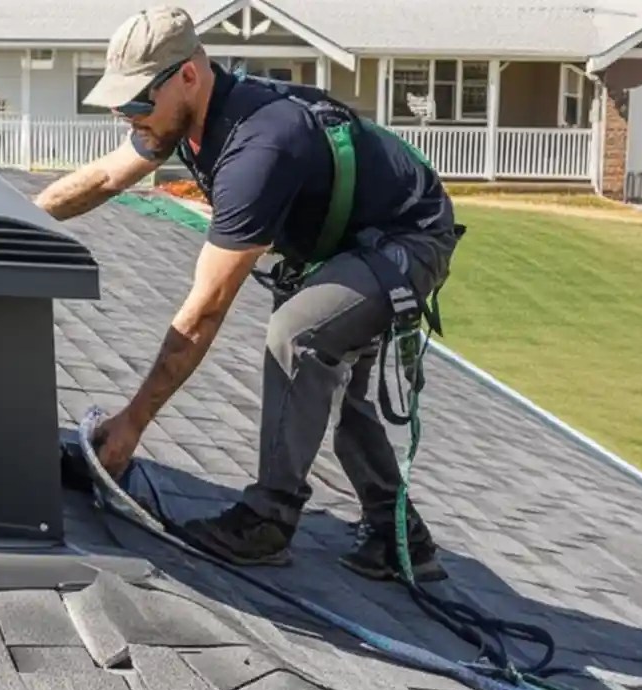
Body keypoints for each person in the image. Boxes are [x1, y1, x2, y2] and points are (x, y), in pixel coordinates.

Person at [32, 6, 462, 582]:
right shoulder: (182, 117)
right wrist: (17, 216)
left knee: (301, 336)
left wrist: (132, 423)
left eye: (136, 102)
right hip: (351, 241)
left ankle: (268, 521)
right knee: (328, 385)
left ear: (187, 75)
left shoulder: (258, 148)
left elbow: (205, 308)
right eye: (119, 102)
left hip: (407, 239)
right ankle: (400, 535)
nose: (126, 116)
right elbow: (105, 179)